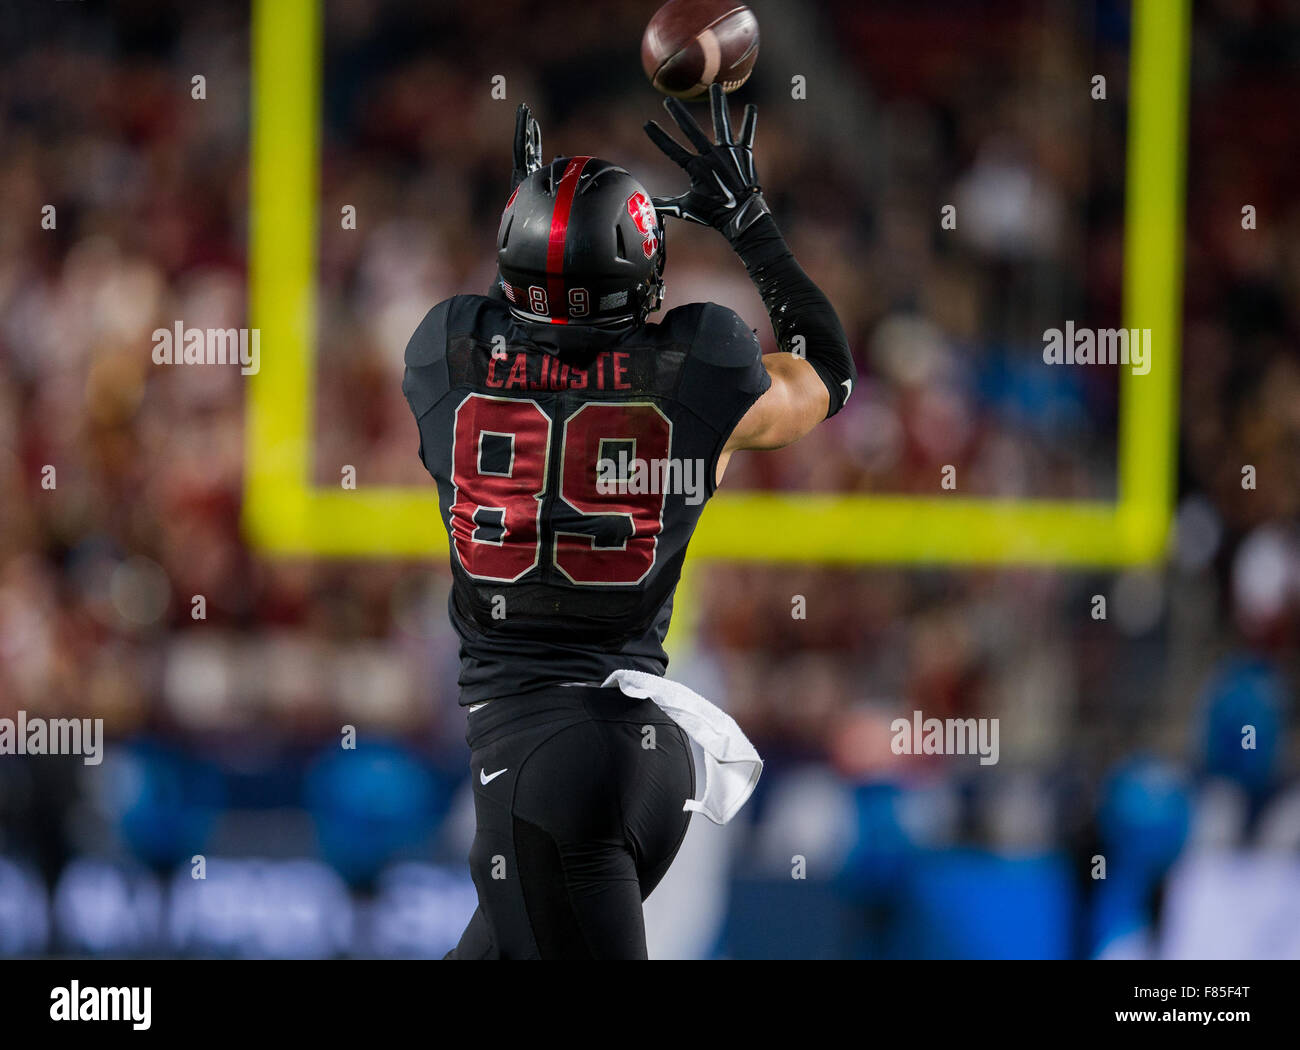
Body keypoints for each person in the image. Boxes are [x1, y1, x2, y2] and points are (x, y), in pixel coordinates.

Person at [403, 84, 854, 959]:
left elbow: (509, 325)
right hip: (640, 756)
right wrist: (752, 225)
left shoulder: (443, 351)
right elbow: (826, 373)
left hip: (536, 759)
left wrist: (533, 219)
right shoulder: (701, 368)